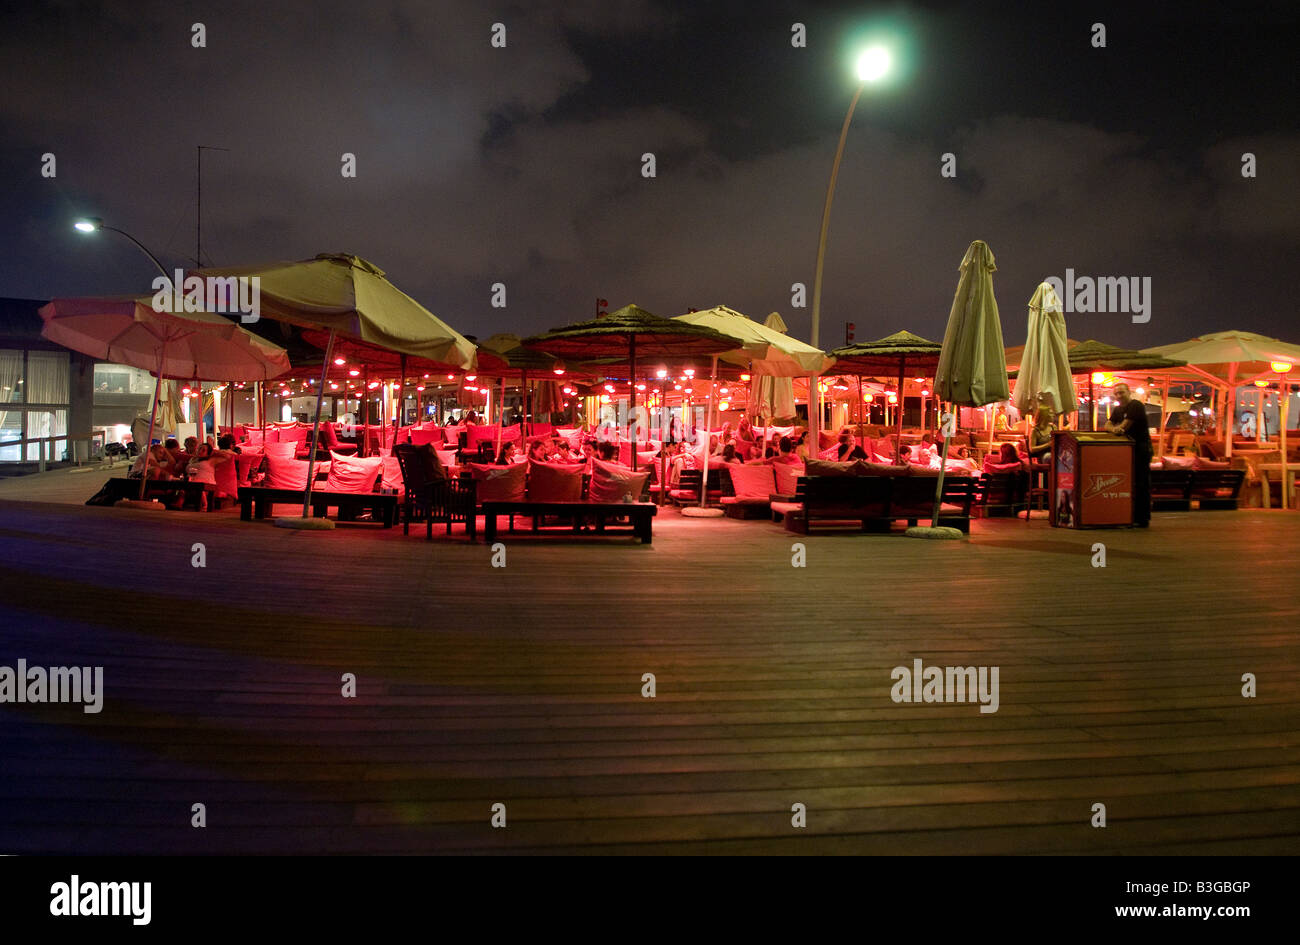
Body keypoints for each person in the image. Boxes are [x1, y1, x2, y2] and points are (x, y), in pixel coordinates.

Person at [1105, 382, 1152, 528]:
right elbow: (1107, 424)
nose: (1119, 396)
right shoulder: (1118, 409)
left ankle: (1142, 518)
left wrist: (1115, 429)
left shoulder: (1136, 405)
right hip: (1128, 451)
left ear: (1129, 392)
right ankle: (1131, 515)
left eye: (1121, 393)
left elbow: (1125, 425)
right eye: (1117, 393)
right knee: (1131, 483)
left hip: (1141, 449)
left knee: (1141, 483)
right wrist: (1114, 429)